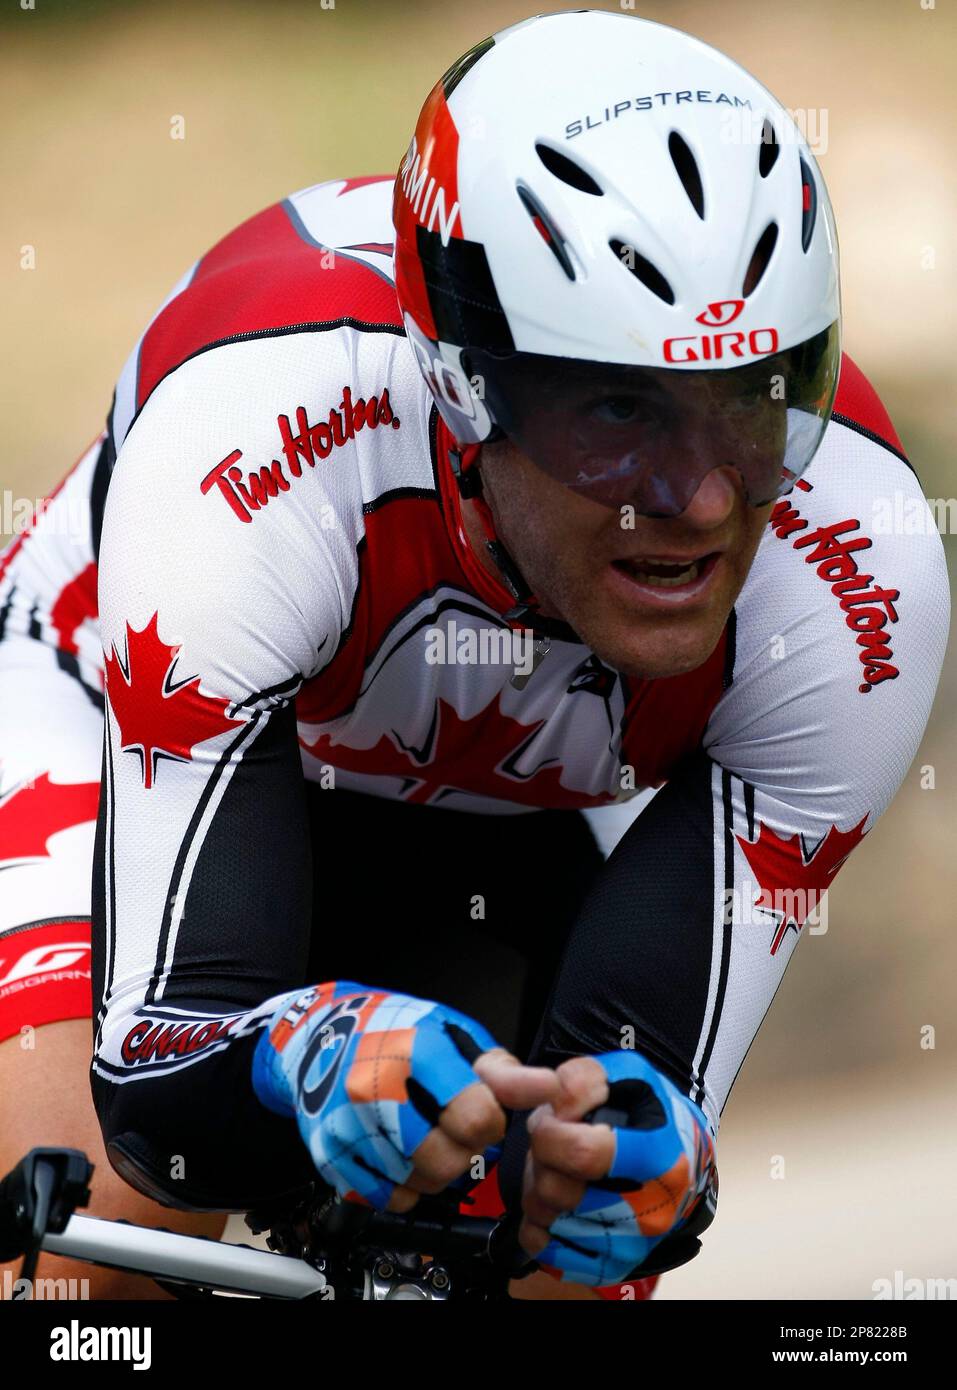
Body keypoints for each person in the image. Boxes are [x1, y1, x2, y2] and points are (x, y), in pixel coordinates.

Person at [0, 9, 947, 1302]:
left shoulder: (855, 568)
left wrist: (639, 1170)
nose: (704, 500)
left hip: (489, 812)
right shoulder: (259, 440)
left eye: (751, 399)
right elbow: (164, 1102)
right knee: (95, 1258)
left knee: (572, 1256)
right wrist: (309, 1050)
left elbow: (636, 1140)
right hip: (114, 716)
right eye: (615, 409)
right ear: (462, 387)